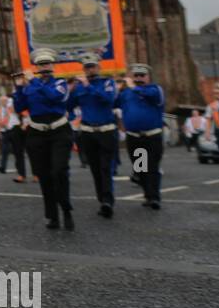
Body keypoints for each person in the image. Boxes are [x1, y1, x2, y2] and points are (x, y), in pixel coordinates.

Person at [17, 48, 73, 230]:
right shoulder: (30, 86)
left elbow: (54, 97)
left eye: (47, 64)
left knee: (59, 171)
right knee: (44, 175)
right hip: (36, 132)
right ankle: (52, 215)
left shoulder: (60, 83)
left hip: (59, 131)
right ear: (36, 66)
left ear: (53, 66)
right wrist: (19, 88)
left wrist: (33, 81)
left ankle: (66, 209)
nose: (45, 67)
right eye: (41, 64)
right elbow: (20, 106)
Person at [69, 53, 119, 219]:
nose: (90, 70)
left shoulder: (107, 82)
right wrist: (70, 91)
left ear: (99, 66)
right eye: (87, 67)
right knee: (96, 169)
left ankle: (107, 201)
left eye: (92, 66)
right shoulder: (79, 87)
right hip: (88, 132)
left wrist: (88, 85)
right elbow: (69, 106)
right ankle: (102, 200)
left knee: (106, 167)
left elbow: (108, 100)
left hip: (106, 131)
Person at [116, 63, 165, 209]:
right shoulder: (127, 93)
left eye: (142, 75)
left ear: (148, 77)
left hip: (152, 136)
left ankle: (155, 197)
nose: (138, 78)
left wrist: (133, 87)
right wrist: (116, 89)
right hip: (134, 137)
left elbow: (152, 96)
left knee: (152, 167)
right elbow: (112, 103)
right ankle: (148, 195)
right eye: (136, 75)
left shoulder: (155, 89)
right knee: (140, 168)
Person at [0, 81, 28, 182]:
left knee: (23, 152)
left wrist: (10, 105)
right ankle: (21, 174)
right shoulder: (2, 107)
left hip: (17, 128)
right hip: (7, 129)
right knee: (15, 152)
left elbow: (21, 112)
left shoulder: (13, 100)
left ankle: (36, 173)